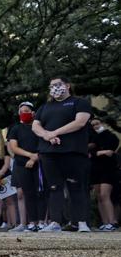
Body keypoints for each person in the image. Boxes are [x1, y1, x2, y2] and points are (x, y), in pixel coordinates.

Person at [33, 76, 93, 232]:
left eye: (58, 84)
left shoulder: (79, 103)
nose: (55, 88)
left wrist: (55, 132)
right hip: (49, 152)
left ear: (67, 85)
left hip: (72, 151)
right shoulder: (45, 107)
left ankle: (80, 222)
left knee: (75, 186)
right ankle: (55, 222)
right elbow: (35, 125)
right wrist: (46, 135)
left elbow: (80, 122)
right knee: (54, 187)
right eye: (52, 85)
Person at [7, 102, 42, 232]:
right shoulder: (15, 128)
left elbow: (43, 142)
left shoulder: (38, 127)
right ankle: (25, 223)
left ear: (33, 113)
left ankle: (43, 221)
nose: (23, 113)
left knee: (39, 192)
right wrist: (31, 156)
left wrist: (35, 157)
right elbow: (13, 147)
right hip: (21, 164)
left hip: (38, 164)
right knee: (23, 193)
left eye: (26, 111)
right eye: (21, 111)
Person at [89, 117, 118, 231]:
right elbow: (90, 152)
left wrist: (98, 152)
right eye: (93, 124)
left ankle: (112, 222)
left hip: (108, 168)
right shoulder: (92, 137)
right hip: (95, 169)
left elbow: (110, 151)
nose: (95, 126)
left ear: (103, 123)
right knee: (99, 196)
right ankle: (105, 222)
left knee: (105, 195)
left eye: (97, 123)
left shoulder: (111, 136)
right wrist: (101, 152)